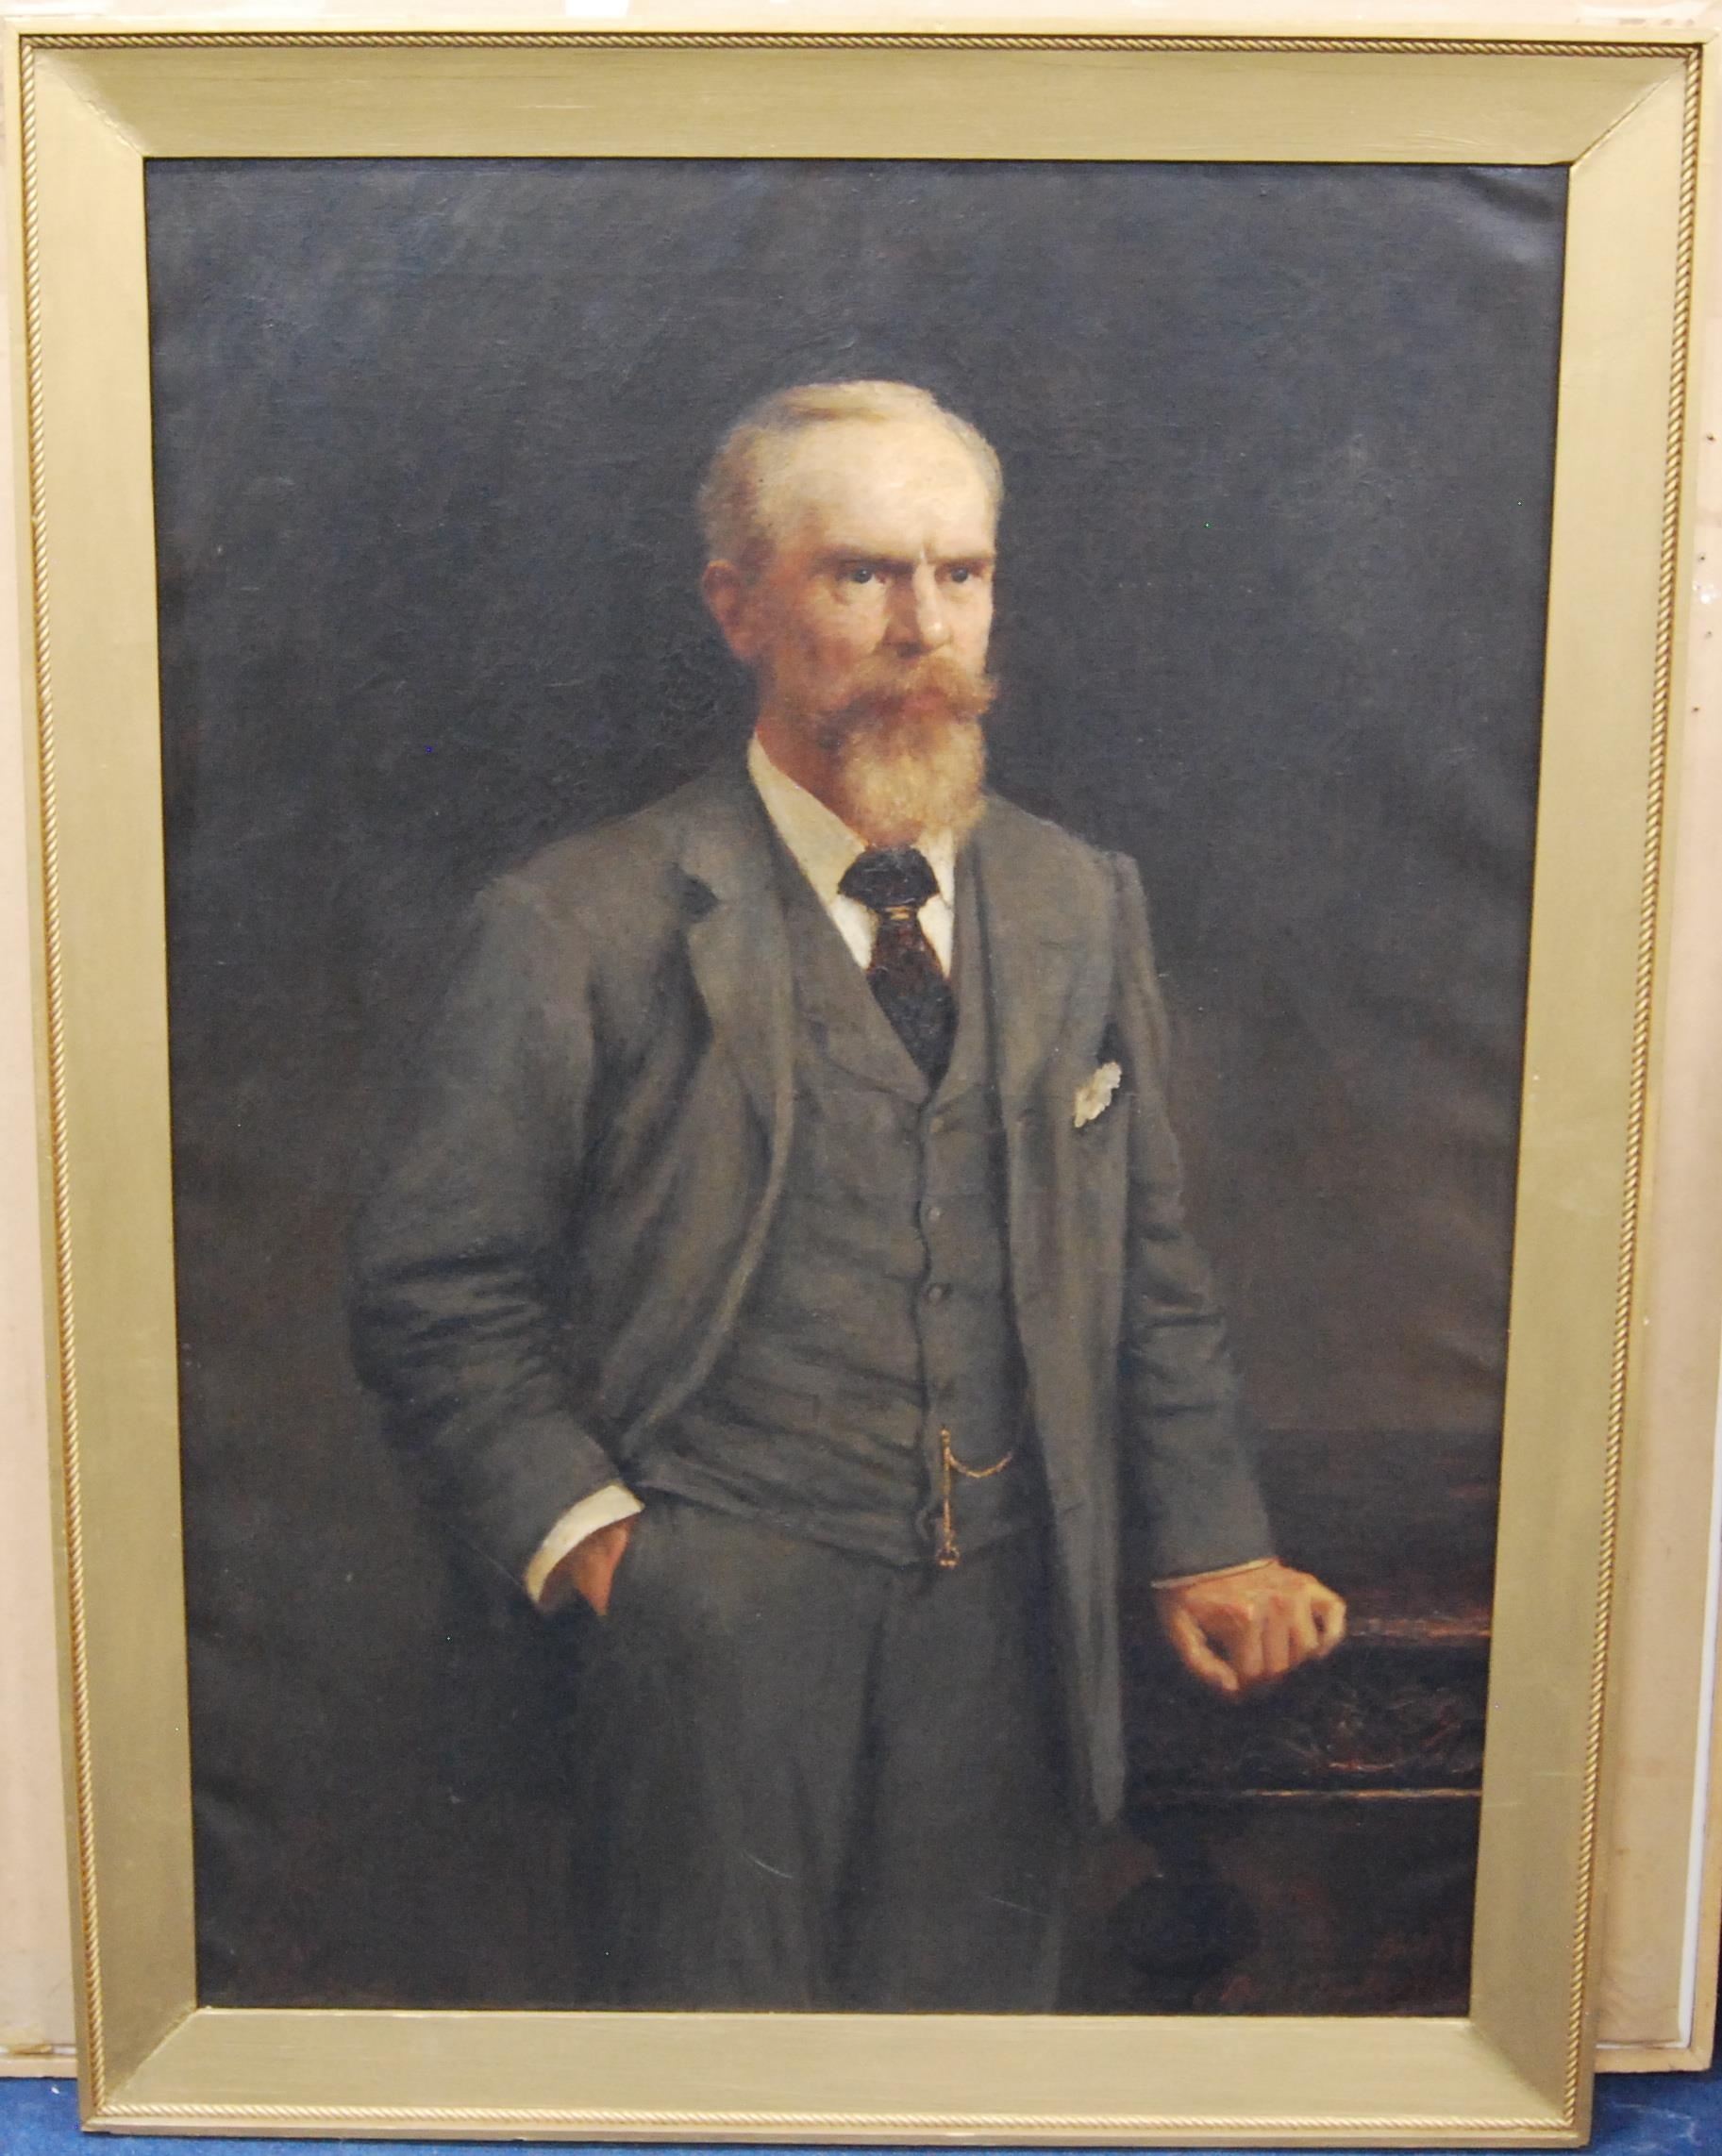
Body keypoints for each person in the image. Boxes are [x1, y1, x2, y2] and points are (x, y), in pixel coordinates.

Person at [350, 378, 1346, 2014]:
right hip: (707, 1634)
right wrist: (609, 1552)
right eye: (861, 574)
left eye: (959, 575)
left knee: (969, 2080)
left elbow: (1146, 1267)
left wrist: (1211, 1545)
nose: (921, 626)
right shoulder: (579, 917)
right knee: (706, 2080)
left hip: (1012, 1637)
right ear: (735, 608)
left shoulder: (1077, 898)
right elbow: (435, 1284)